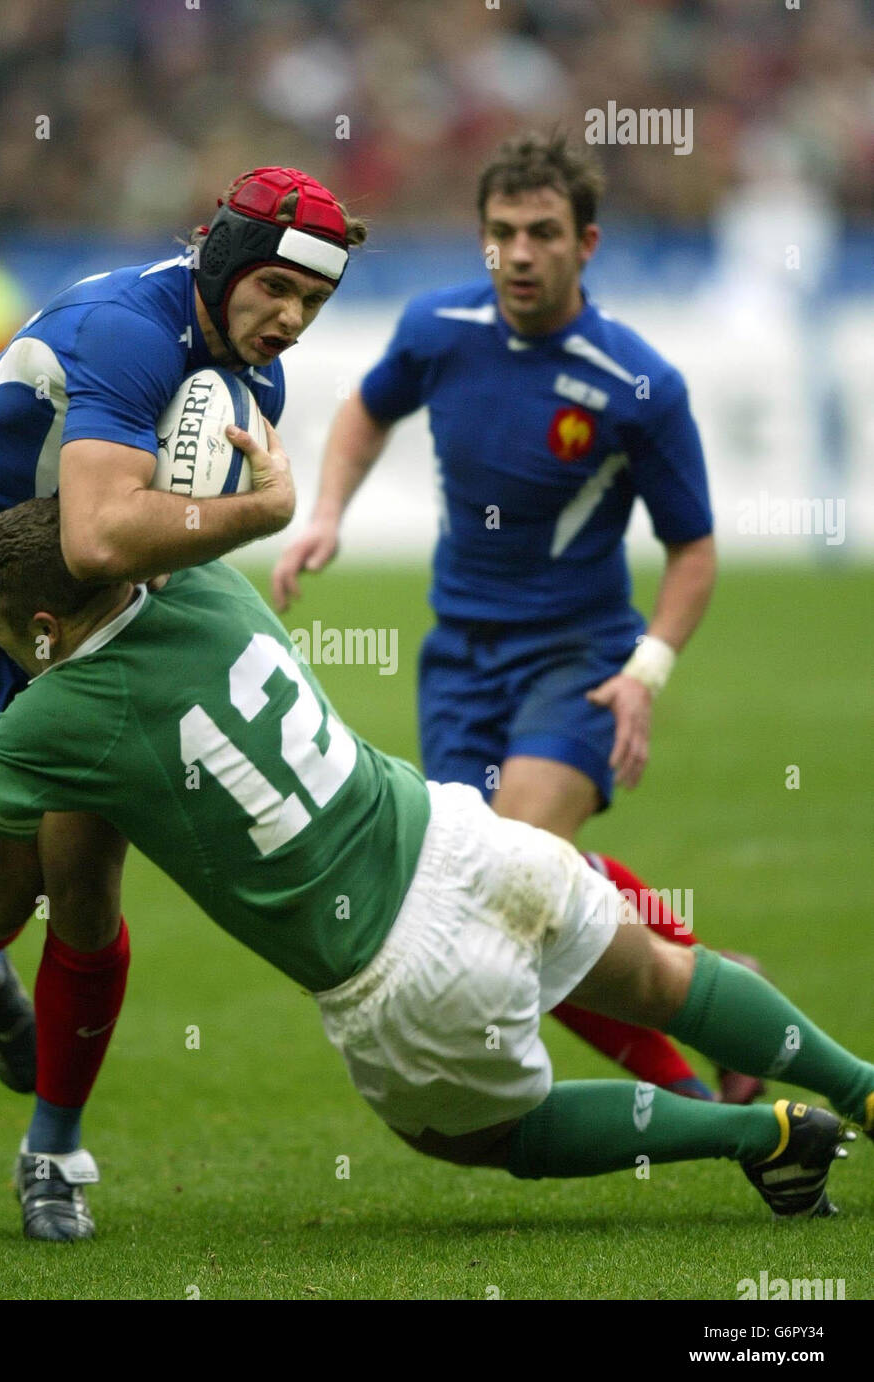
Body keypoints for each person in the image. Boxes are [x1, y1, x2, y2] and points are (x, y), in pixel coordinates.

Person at [0, 497, 871, 1238]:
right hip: (470, 841)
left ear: (48, 631)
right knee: (666, 976)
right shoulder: (204, 580)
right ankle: (860, 1082)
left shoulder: (58, 717)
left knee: (485, 1135)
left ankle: (764, 1140)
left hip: (399, 971)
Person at [0, 166, 366, 1239]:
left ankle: (53, 1152)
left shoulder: (250, 376)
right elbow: (97, 533)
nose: (289, 320)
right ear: (224, 259)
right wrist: (264, 512)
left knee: (88, 883)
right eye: (276, 289)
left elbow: (119, 560)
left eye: (313, 303)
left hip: (94, 610)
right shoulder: (126, 333)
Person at [272, 131, 759, 1105]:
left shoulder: (638, 384)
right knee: (497, 900)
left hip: (578, 657)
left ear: (589, 243)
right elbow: (367, 410)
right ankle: (721, 986)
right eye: (501, 233)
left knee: (520, 885)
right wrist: (327, 511)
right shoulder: (438, 327)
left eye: (543, 233)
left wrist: (645, 671)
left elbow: (693, 549)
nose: (521, 254)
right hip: (458, 658)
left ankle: (684, 1099)